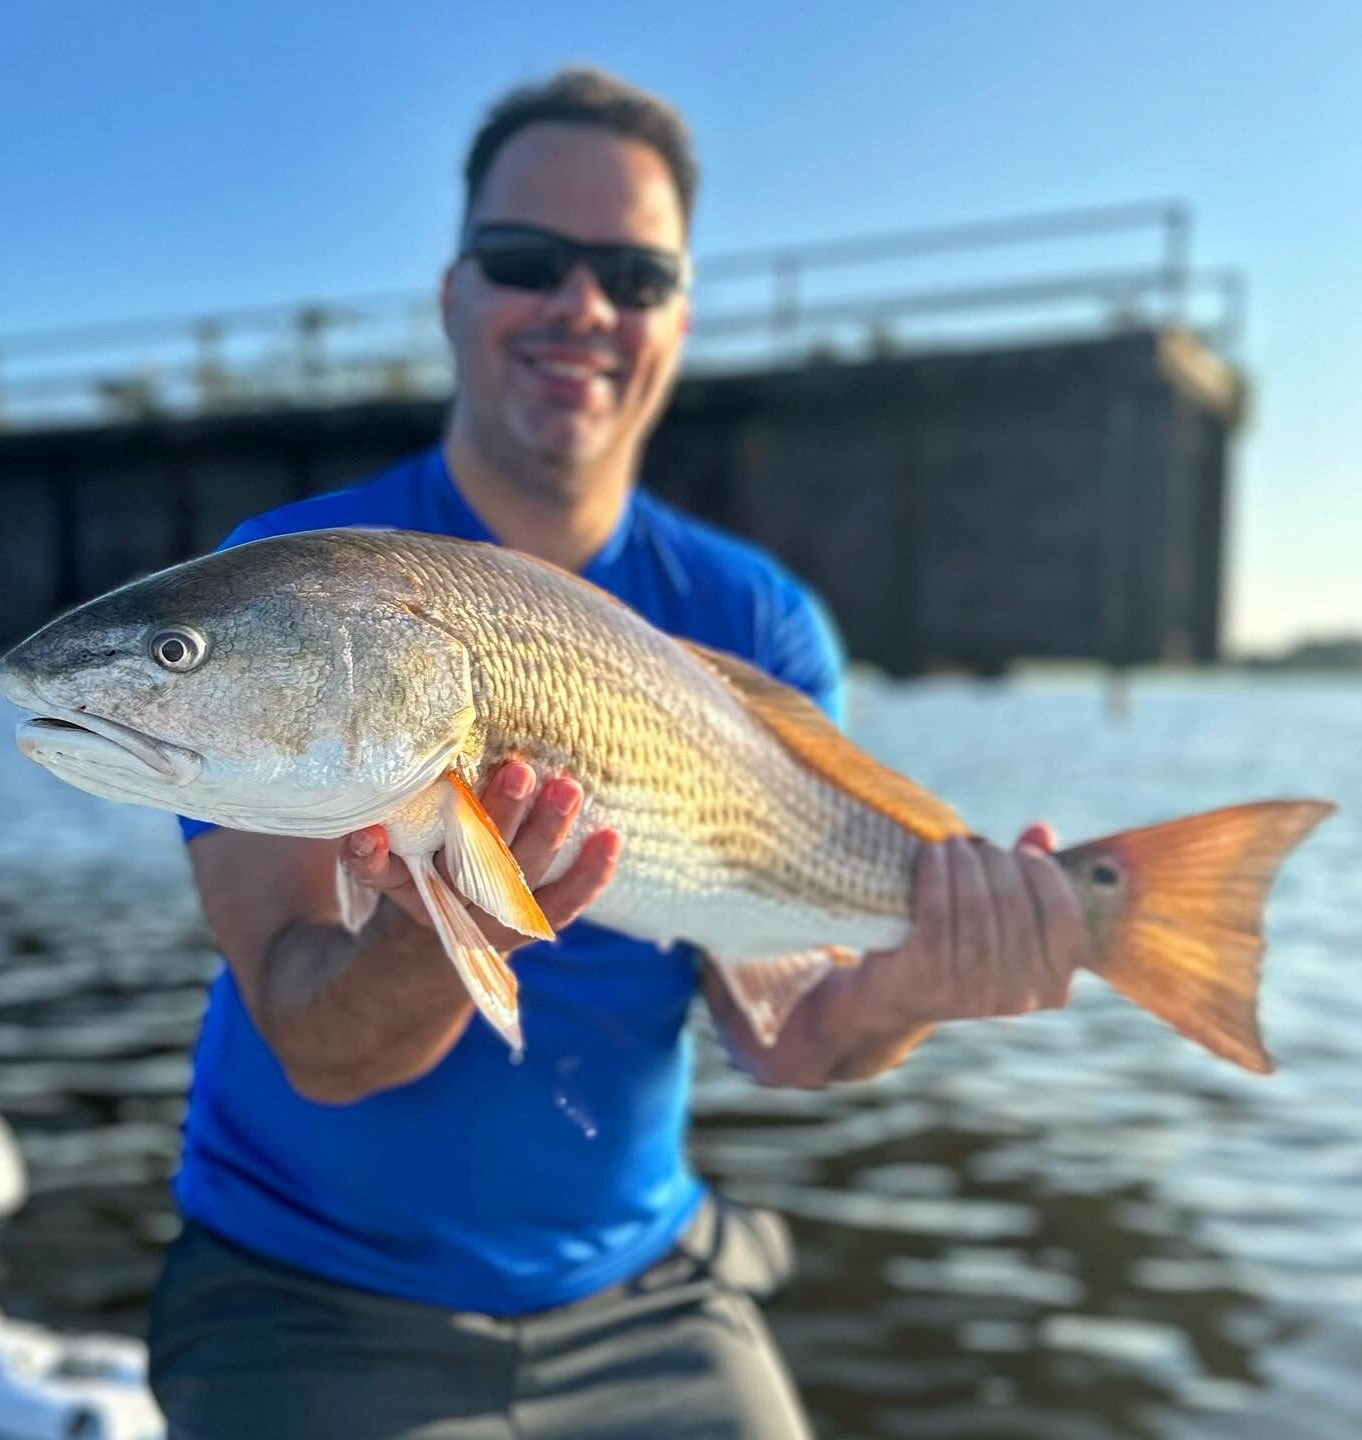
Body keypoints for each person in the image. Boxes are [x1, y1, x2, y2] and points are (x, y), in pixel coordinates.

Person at [146, 68, 1088, 1440]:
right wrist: (449, 918)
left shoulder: (755, 616)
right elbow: (320, 1043)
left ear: (678, 323)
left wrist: (911, 986)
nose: (582, 306)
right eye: (528, 260)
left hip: (648, 1294)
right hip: (305, 1288)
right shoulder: (291, 598)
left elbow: (784, 1036)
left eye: (634, 275)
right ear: (454, 293)